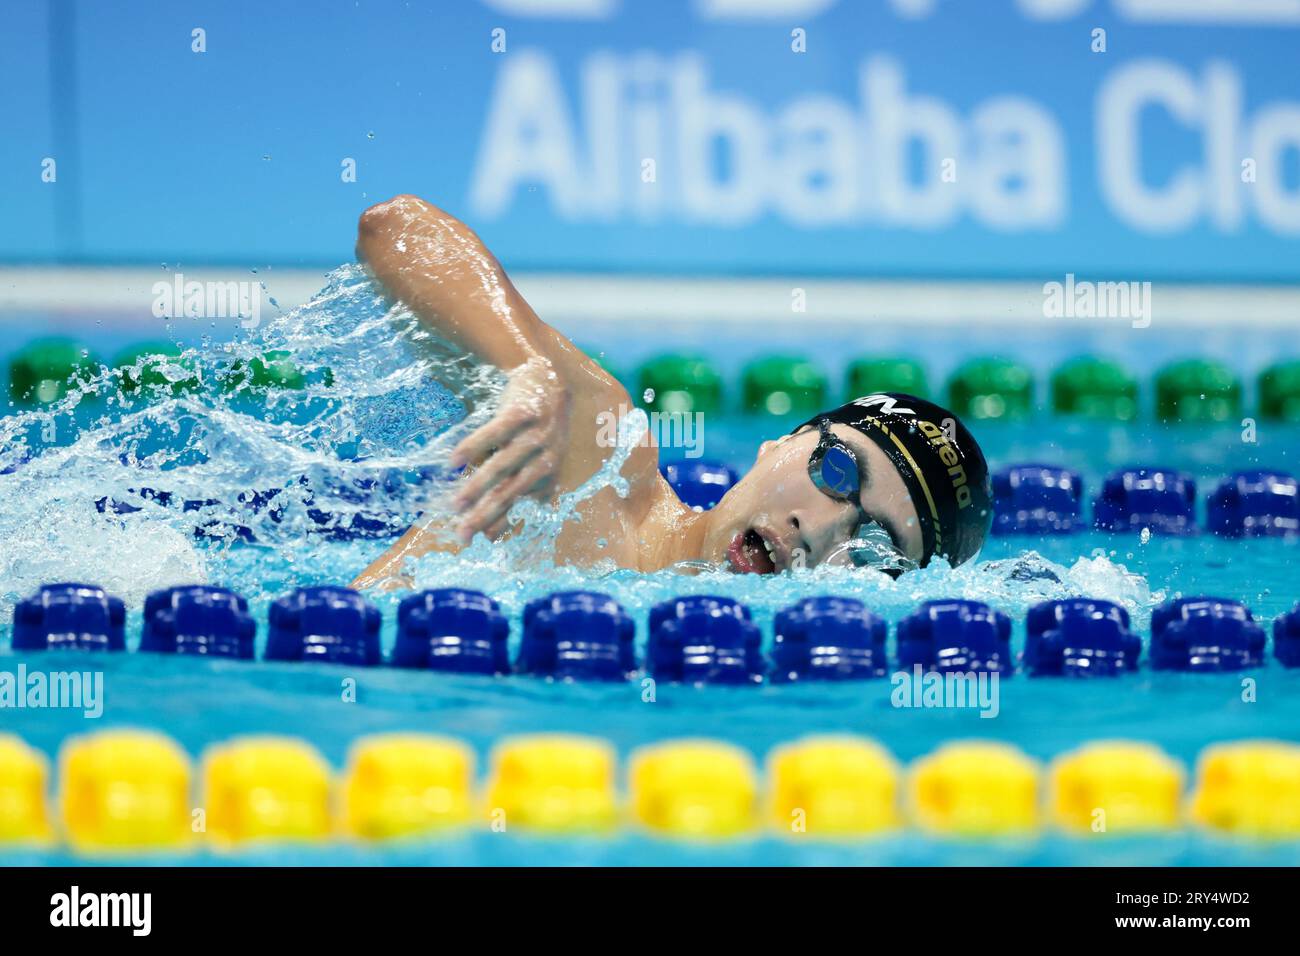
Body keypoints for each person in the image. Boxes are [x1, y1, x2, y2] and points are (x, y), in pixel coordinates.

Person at [349, 196, 991, 590]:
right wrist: (524, 367)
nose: (818, 531)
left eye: (875, 549)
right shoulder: (598, 468)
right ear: (782, 444)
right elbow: (395, 229)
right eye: (838, 470)